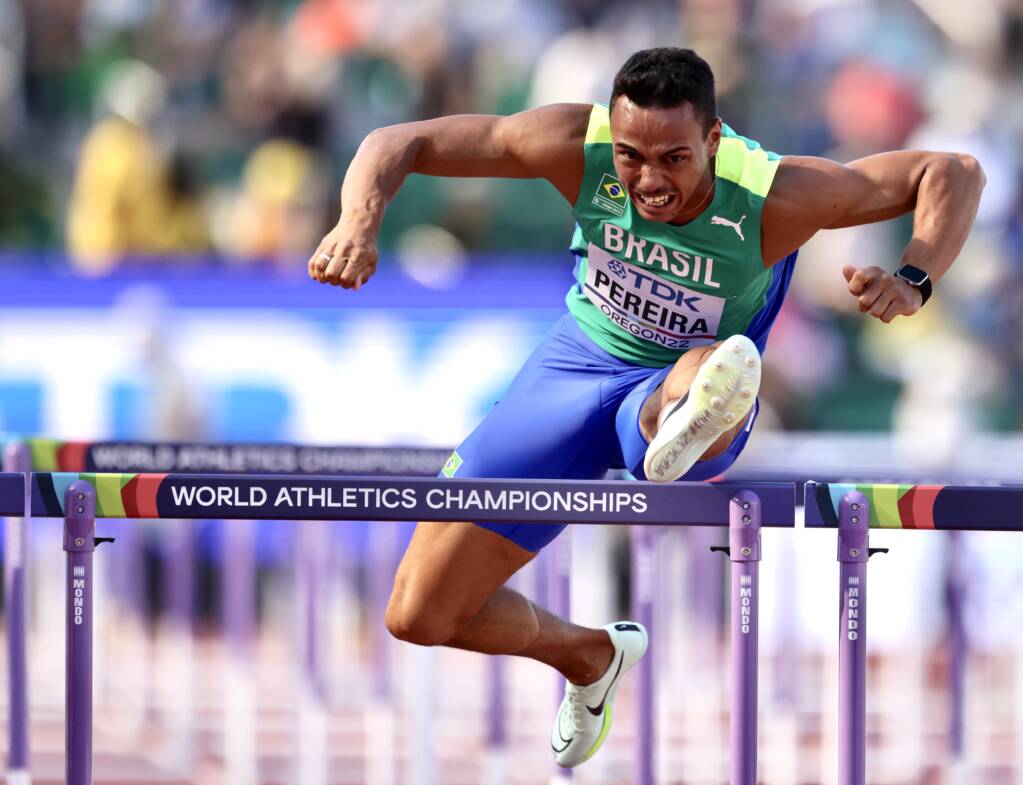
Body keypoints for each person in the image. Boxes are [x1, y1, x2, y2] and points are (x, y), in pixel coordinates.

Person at [308, 48, 985, 767]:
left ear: (715, 141)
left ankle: (688, 408)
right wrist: (357, 220)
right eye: (632, 156)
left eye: (674, 158)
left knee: (697, 381)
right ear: (611, 134)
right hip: (574, 369)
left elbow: (950, 172)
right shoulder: (576, 146)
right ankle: (592, 654)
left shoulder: (778, 194)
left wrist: (915, 274)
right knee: (418, 611)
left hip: (686, 381)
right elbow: (395, 142)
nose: (650, 180)